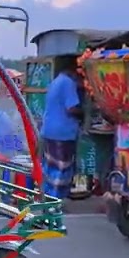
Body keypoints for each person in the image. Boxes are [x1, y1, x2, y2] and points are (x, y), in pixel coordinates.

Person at [41, 61, 82, 199]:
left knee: (50, 166)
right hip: (62, 132)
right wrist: (83, 113)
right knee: (61, 168)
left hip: (49, 130)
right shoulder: (68, 83)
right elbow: (71, 108)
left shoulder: (56, 81)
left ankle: (47, 196)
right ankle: (55, 199)